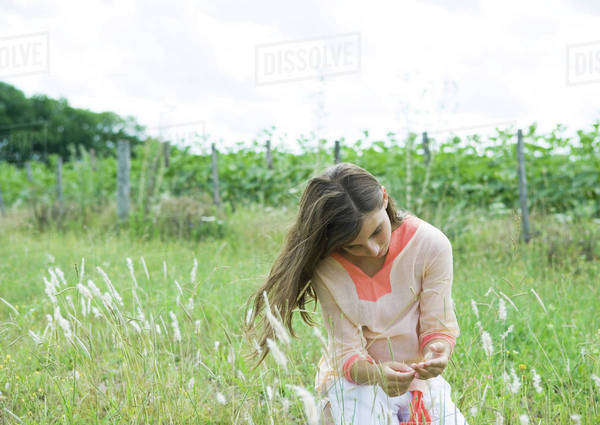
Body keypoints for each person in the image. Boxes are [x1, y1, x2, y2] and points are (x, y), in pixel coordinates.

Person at [243, 162, 468, 425]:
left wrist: (438, 349)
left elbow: (437, 326)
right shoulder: (328, 266)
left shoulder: (431, 245)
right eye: (353, 247)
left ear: (384, 197)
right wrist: (377, 375)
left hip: (417, 383)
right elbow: (346, 352)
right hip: (356, 382)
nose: (373, 249)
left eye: (376, 232)